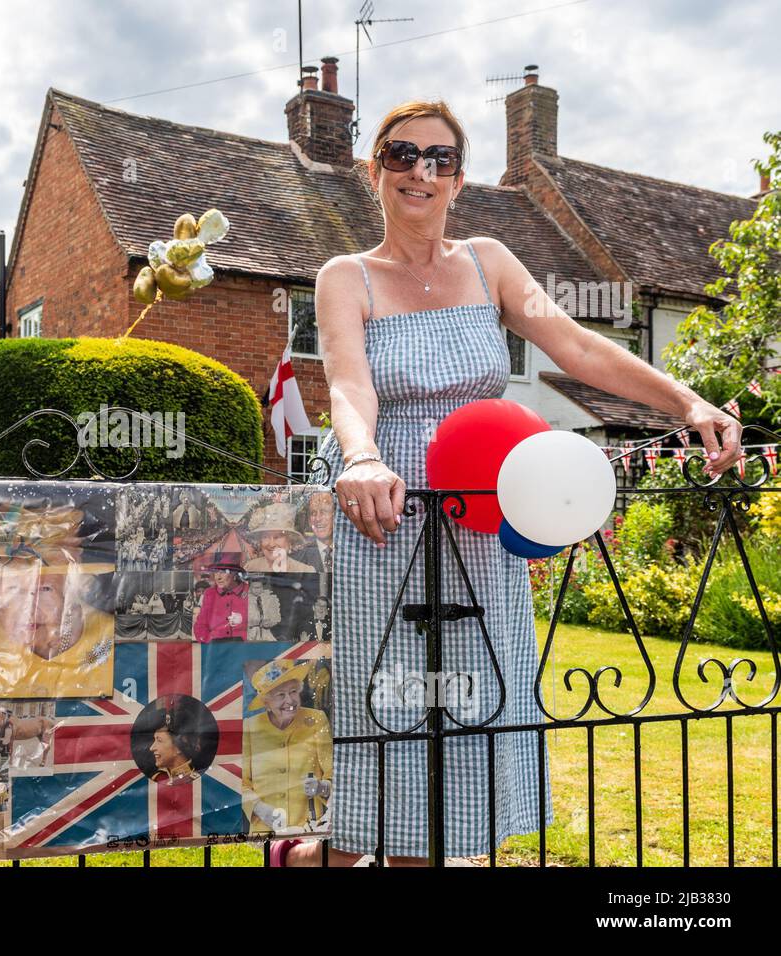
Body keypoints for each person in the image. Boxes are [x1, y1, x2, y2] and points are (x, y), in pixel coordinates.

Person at [282, 99, 744, 868]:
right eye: (402, 155)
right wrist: (360, 456)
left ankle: (346, 857)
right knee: (387, 707)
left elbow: (576, 344)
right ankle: (325, 853)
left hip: (478, 516)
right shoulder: (345, 277)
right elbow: (349, 387)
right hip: (383, 516)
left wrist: (687, 400)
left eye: (441, 159)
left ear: (460, 181)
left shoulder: (489, 260)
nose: (421, 172)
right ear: (376, 172)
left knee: (466, 709)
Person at [0, 502, 116, 699]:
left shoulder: (114, 638)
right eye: (14, 589)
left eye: (44, 589)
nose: (28, 608)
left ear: (71, 588)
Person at [241, 659, 332, 837]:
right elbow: (241, 783)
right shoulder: (250, 727)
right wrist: (261, 809)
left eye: (293, 692)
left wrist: (322, 787)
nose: (290, 700)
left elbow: (333, 771)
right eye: (280, 695)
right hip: (266, 830)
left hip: (310, 827)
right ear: (266, 703)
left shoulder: (316, 719)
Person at [192, 554, 249, 641]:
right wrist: (210, 642)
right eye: (215, 572)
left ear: (234, 574)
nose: (218, 577)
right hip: (216, 648)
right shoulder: (210, 593)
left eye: (223, 572)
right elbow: (200, 625)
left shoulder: (248, 591)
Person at [243, 504, 316, 572]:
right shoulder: (250, 568)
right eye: (265, 537)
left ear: (290, 540)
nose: (271, 544)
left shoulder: (306, 571)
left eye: (277, 537)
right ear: (260, 541)